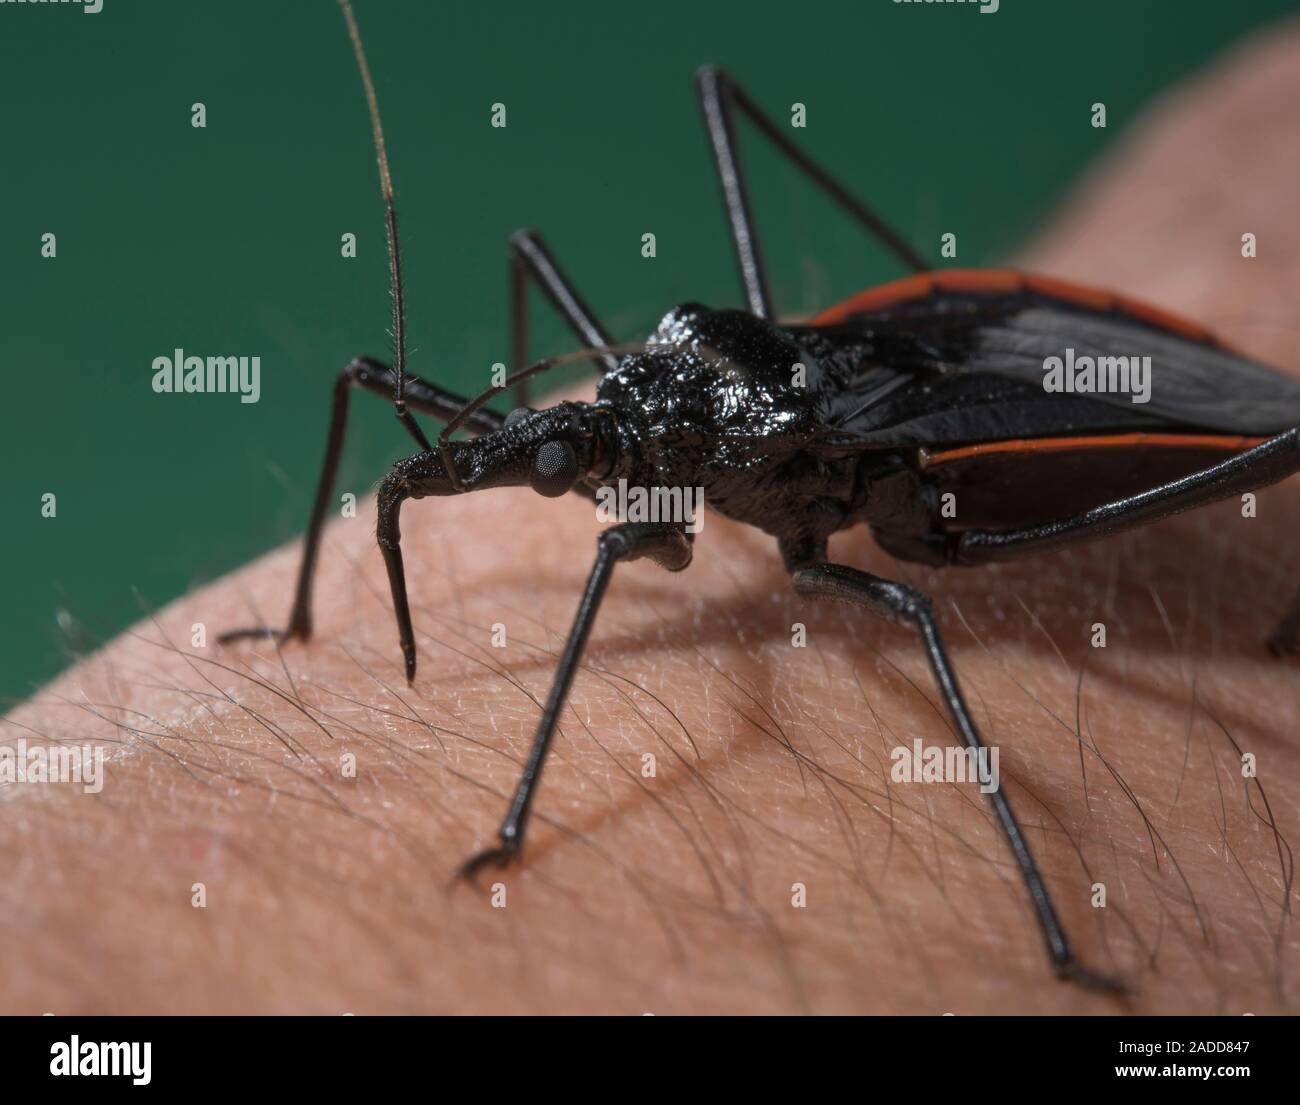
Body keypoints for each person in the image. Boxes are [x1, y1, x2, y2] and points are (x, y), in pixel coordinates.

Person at [5, 21, 1299, 1014]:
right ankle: (309, 636)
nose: (560, 472)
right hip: (905, 345)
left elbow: (668, 515)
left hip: (934, 457)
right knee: (541, 320)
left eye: (569, 459)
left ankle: (1058, 943)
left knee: (910, 588)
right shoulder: (647, 425)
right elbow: (494, 383)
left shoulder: (697, 490)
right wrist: (522, 457)